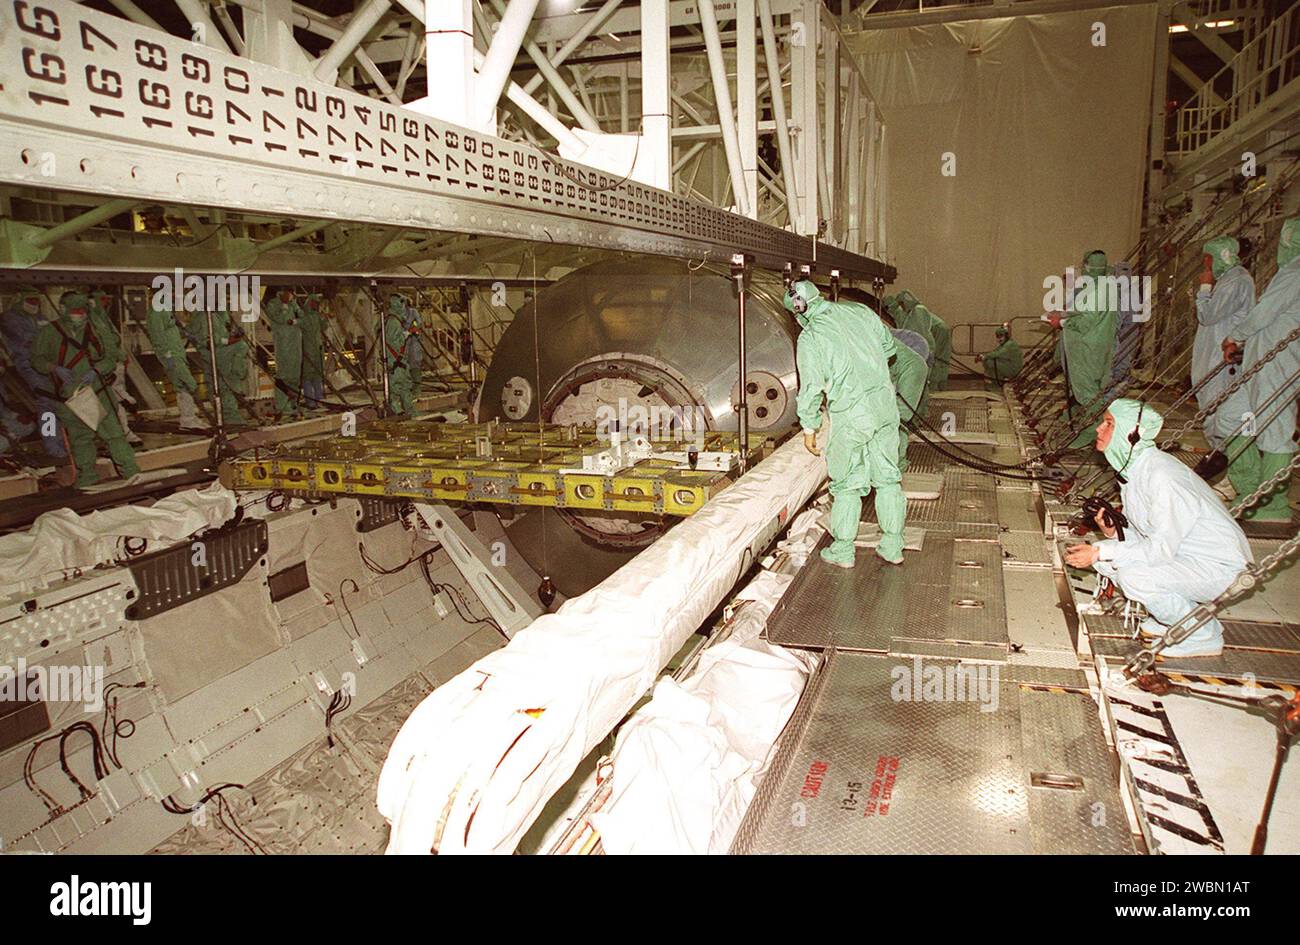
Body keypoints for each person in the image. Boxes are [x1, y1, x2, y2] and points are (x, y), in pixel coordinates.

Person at [1063, 399, 1252, 658]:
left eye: (1108, 423)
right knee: (1108, 562)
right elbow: (1147, 537)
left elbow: (1158, 549)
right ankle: (1176, 619)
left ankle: (1201, 635)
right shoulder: (1138, 470)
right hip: (1186, 557)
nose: (1098, 429)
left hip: (1220, 568)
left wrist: (1100, 550)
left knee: (1133, 576)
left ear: (1131, 435)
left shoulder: (1163, 478)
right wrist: (1110, 534)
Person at [788, 280, 906, 567]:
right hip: (884, 408)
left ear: (798, 310)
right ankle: (892, 546)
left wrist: (809, 427)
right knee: (889, 478)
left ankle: (843, 550)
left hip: (852, 415)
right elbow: (890, 348)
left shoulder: (811, 336)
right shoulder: (860, 311)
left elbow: (812, 387)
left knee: (847, 484)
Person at [1221, 218, 1300, 521]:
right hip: (1261, 361)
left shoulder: (1294, 272)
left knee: (1275, 431)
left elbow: (1264, 313)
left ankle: (1273, 506)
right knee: (1233, 417)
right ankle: (1250, 488)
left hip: (1280, 362)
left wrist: (1236, 335)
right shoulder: (1289, 272)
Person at [30, 291, 140, 489]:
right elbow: (36, 359)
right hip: (69, 396)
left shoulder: (97, 329)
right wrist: (54, 368)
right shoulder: (49, 333)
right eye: (75, 311)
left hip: (96, 391)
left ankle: (130, 471)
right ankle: (87, 477)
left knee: (114, 435)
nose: (78, 315)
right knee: (81, 439)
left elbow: (111, 356)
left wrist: (96, 370)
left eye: (82, 311)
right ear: (63, 310)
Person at [1192, 236, 1255, 492]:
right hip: (1211, 359)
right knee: (1212, 413)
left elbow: (1208, 315)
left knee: (1224, 417)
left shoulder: (1237, 281)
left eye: (1208, 259)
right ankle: (1224, 462)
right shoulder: (1229, 280)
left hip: (1222, 362)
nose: (1206, 264)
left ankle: (1238, 473)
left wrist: (1204, 288)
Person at [1051, 250, 1118, 446]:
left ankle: (1093, 430)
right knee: (1092, 389)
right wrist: (1065, 314)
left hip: (1087, 347)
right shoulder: (1103, 287)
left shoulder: (1097, 291)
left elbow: (1086, 321)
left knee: (1088, 392)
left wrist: (1061, 323)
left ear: (1087, 266)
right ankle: (1090, 422)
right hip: (1097, 346)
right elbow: (1085, 312)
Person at [0, 286, 65, 458]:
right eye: (31, 300)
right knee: (47, 403)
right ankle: (52, 445)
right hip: (28, 365)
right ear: (20, 300)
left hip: (47, 364)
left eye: (36, 300)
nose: (34, 304)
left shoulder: (40, 317)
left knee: (57, 404)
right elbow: (32, 340)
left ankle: (59, 441)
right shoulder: (10, 318)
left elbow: (53, 335)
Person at [88, 288, 143, 446]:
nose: (107, 304)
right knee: (112, 401)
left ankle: (123, 431)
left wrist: (122, 357)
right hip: (103, 368)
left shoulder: (102, 318)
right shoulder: (92, 320)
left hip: (114, 364)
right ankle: (120, 432)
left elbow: (113, 340)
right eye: (103, 300)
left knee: (116, 401)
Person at [146, 299, 208, 431]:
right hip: (171, 355)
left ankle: (188, 418)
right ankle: (188, 419)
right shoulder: (157, 311)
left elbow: (170, 330)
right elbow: (157, 335)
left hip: (177, 353)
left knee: (182, 386)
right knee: (189, 383)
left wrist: (185, 334)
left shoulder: (165, 309)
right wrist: (167, 355)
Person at [188, 309, 250, 427]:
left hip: (220, 352)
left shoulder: (219, 313)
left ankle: (230, 415)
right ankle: (228, 416)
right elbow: (206, 339)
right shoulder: (202, 316)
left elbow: (223, 331)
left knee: (226, 383)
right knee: (223, 384)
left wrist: (233, 335)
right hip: (213, 352)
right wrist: (228, 340)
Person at [264, 287, 303, 419]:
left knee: (295, 374)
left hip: (295, 343)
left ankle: (293, 404)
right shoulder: (273, 304)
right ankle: (282, 406)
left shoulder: (294, 303)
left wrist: (295, 320)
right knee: (284, 374)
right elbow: (282, 319)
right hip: (283, 344)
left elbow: (302, 318)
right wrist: (285, 305)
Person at [383, 293, 417, 417]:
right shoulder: (393, 322)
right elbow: (392, 341)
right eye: (402, 304)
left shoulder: (396, 321)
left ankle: (409, 410)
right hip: (396, 360)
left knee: (405, 385)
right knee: (396, 386)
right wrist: (406, 334)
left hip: (400, 360)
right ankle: (396, 410)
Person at [300, 292, 326, 411]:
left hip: (317, 350)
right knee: (307, 376)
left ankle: (318, 398)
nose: (316, 305)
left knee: (317, 376)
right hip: (308, 350)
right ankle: (310, 400)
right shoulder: (303, 317)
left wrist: (324, 318)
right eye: (315, 303)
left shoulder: (316, 316)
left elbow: (323, 327)